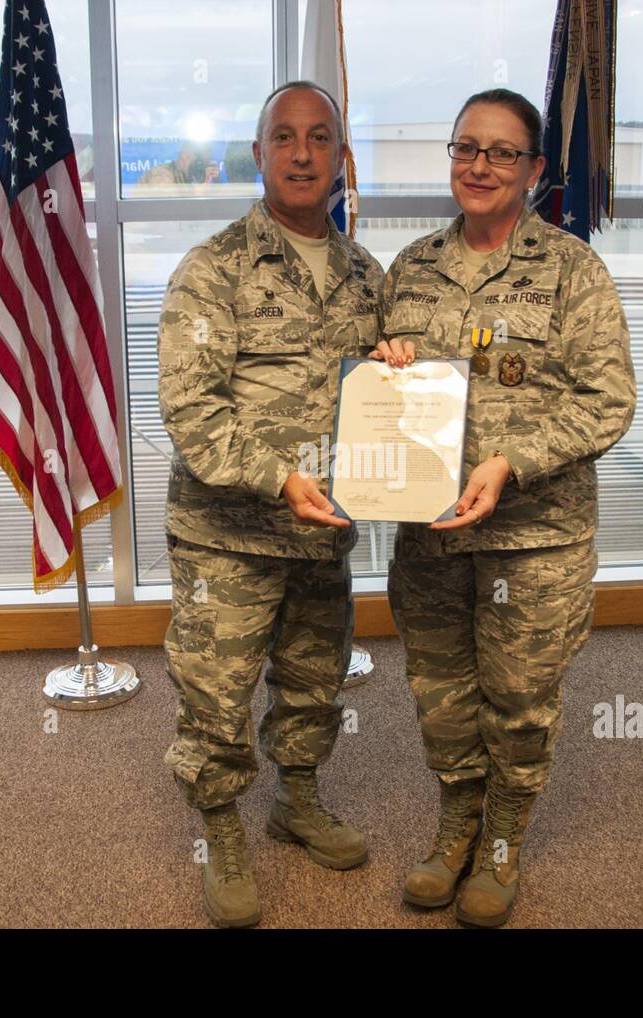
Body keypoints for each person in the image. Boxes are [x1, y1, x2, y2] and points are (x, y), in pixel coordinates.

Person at [374, 88, 637, 927]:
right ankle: (457, 822)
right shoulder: (409, 268)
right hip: (431, 536)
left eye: (500, 152)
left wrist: (511, 461)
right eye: (465, 147)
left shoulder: (571, 270)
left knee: (519, 700)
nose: (479, 165)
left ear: (533, 169)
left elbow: (609, 400)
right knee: (443, 690)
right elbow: (376, 391)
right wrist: (387, 360)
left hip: (536, 538)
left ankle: (503, 841)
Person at [157, 80, 383, 928]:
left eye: (319, 138)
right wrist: (278, 477)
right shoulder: (213, 268)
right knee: (216, 694)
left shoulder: (366, 275)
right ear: (258, 155)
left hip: (323, 536)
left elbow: (385, 395)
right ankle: (220, 828)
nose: (301, 152)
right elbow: (192, 412)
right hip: (229, 537)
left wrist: (396, 361)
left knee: (312, 683)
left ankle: (297, 801)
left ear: (338, 157)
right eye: (283, 138)